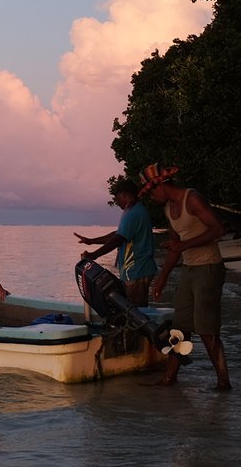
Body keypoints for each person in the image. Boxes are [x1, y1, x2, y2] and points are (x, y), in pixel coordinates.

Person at [142, 164, 231, 390]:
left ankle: (223, 383)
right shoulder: (167, 209)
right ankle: (169, 378)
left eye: (151, 192)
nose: (152, 198)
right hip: (190, 269)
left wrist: (184, 245)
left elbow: (218, 229)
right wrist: (162, 277)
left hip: (209, 267)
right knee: (180, 328)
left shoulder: (192, 198)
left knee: (206, 328)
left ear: (162, 185)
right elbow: (175, 247)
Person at [74, 177, 158, 306]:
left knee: (134, 311)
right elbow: (118, 234)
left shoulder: (133, 213)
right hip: (134, 272)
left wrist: (94, 255)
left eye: (117, 196)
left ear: (124, 194)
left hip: (137, 271)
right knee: (130, 308)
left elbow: (118, 240)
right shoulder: (131, 211)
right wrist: (91, 241)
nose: (116, 200)